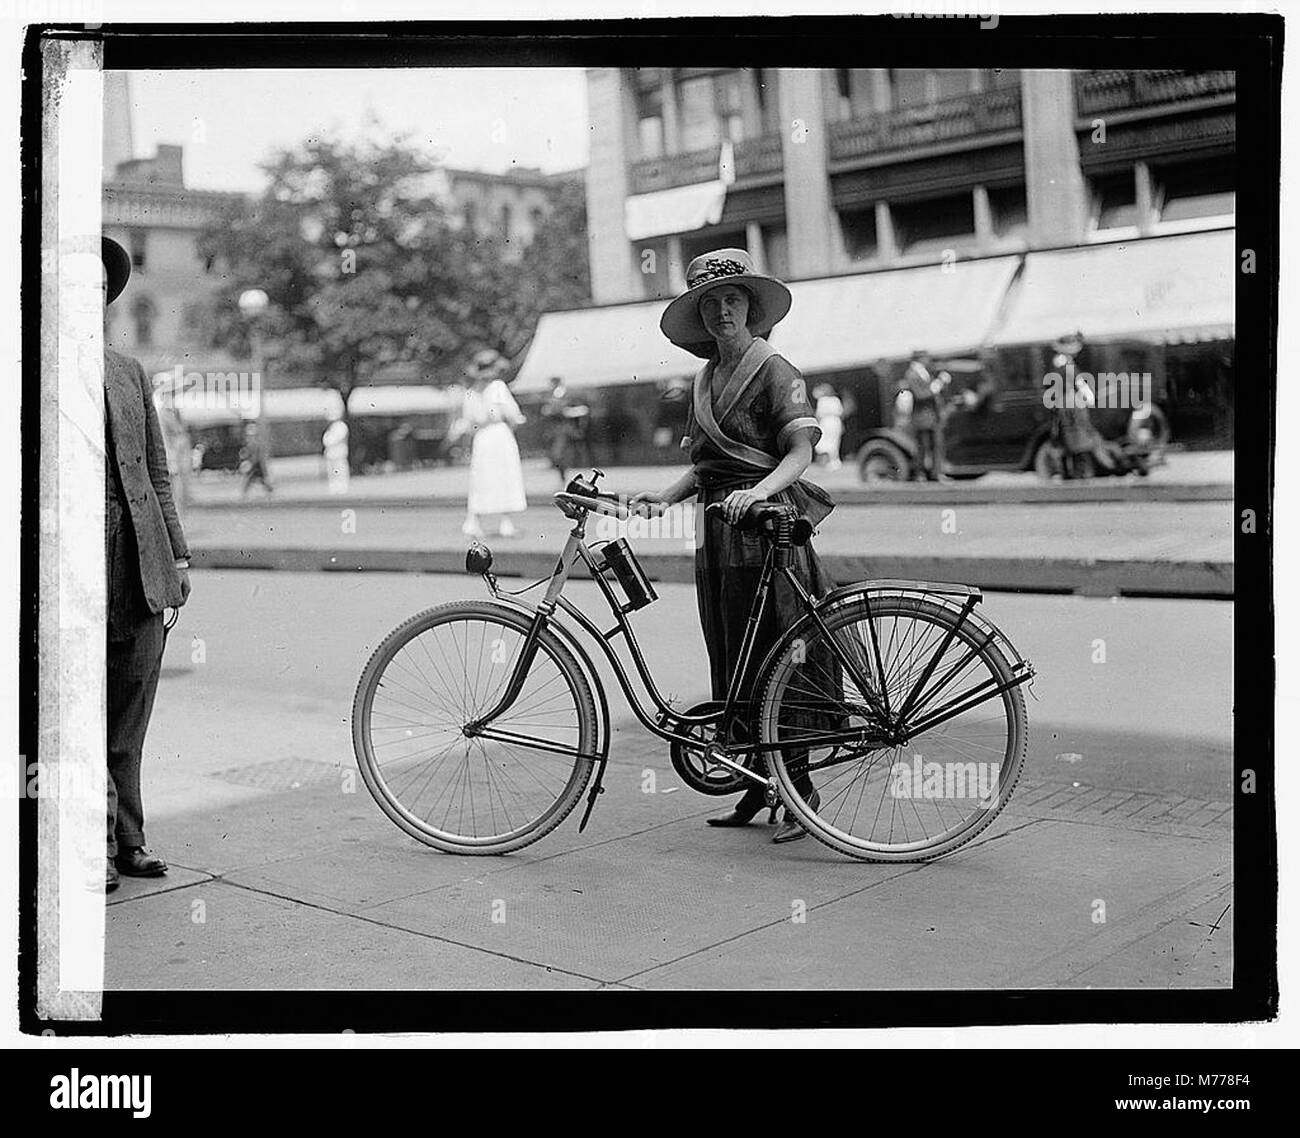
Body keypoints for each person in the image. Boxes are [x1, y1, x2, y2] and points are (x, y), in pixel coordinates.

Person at [630, 248, 837, 843]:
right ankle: (754, 780)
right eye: (712, 303)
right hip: (719, 531)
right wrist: (661, 499)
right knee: (731, 647)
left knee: (781, 647)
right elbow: (706, 466)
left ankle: (800, 790)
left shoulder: (775, 368)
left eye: (733, 300)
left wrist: (758, 493)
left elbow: (799, 453)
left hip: (767, 527)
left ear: (752, 308)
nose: (723, 312)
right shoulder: (704, 378)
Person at [100, 237, 192, 892]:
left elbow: (158, 478)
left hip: (139, 561)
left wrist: (178, 556)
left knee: (131, 708)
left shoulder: (128, 371)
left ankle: (128, 841)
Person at [454, 348, 527, 538]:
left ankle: (474, 521)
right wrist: (513, 424)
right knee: (505, 475)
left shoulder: (470, 393)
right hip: (499, 433)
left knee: (482, 478)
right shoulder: (498, 387)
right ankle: (506, 522)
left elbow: (468, 422)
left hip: (482, 437)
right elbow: (512, 414)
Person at [542, 375, 593, 488]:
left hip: (567, 429)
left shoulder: (570, 394)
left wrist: (569, 412)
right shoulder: (550, 396)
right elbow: (546, 410)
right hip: (555, 430)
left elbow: (583, 410)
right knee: (557, 456)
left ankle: (574, 480)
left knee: (562, 455)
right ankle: (564, 478)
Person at [812, 383, 844, 470]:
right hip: (835, 422)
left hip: (826, 422)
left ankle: (831, 461)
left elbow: (819, 414)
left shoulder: (822, 400)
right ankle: (834, 461)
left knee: (826, 441)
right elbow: (840, 412)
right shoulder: (835, 400)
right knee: (834, 442)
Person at [239, 420, 273, 497]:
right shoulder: (252, 440)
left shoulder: (254, 441)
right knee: (256, 479)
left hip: (256, 463)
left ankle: (269, 490)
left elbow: (256, 452)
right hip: (255, 463)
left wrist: (252, 460)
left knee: (256, 478)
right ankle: (269, 490)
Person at [322, 411, 350, 494]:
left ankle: (343, 486)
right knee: (332, 471)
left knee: (340, 469)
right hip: (331, 453)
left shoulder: (341, 426)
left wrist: (329, 440)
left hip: (339, 452)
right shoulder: (331, 427)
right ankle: (334, 487)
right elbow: (325, 440)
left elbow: (333, 440)